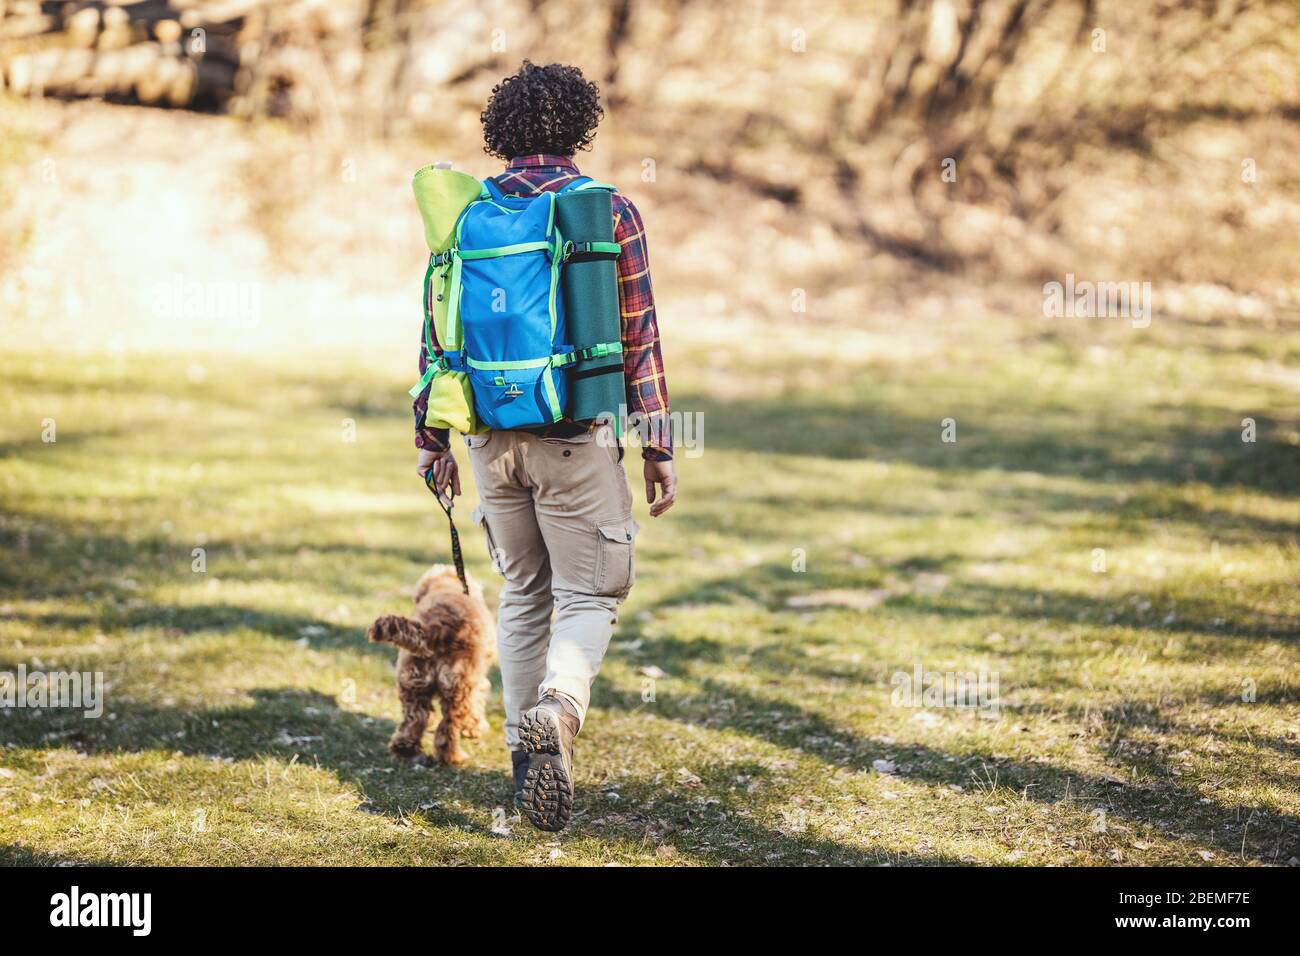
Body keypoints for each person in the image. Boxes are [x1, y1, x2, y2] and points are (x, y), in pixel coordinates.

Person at [412, 61, 676, 831]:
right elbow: (641, 337)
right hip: (575, 437)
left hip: (493, 439)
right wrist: (656, 443)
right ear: (580, 128)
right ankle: (558, 711)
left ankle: (528, 766)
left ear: (502, 132)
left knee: (525, 594)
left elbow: (436, 334)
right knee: (590, 593)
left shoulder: (464, 218)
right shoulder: (607, 211)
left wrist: (433, 440)